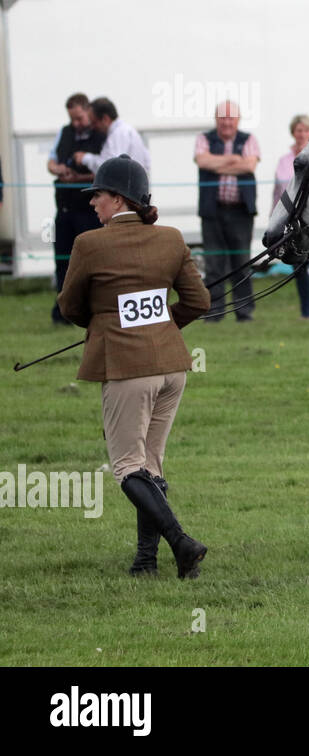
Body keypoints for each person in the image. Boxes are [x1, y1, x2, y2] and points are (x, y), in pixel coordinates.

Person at [57, 154, 210, 578]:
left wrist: (110, 324)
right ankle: (146, 561)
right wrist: (159, 325)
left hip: (128, 369)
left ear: (118, 198)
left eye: (98, 196)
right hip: (173, 368)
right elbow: (199, 302)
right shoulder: (172, 238)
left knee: (126, 467)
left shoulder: (90, 244)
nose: (92, 204)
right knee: (150, 466)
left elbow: (69, 306)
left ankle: (181, 543)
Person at [194, 100, 260, 322]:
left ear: (238, 119)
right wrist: (233, 160)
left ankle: (244, 312)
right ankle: (214, 312)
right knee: (214, 264)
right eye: (222, 117)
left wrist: (218, 164)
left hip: (241, 212)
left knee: (241, 263)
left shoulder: (249, 139)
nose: (226, 122)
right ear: (216, 119)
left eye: (231, 117)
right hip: (212, 211)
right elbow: (202, 161)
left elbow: (249, 166)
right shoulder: (204, 139)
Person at [48, 93, 107, 325]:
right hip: (63, 210)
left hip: (89, 212)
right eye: (72, 119)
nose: (76, 123)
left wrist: (78, 178)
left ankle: (91, 310)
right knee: (63, 261)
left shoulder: (102, 137)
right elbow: (51, 161)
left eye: (80, 118)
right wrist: (58, 169)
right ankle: (63, 312)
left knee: (90, 264)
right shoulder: (64, 133)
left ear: (88, 112)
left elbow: (104, 171)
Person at [272, 114, 309, 320]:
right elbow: (277, 192)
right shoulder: (283, 161)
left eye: (306, 130)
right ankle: (305, 312)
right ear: (293, 133)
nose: (302, 134)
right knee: (298, 268)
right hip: (291, 223)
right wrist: (275, 218)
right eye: (299, 130)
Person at [75, 97, 150, 173]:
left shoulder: (118, 134)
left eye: (94, 122)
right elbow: (147, 162)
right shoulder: (126, 130)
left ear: (105, 119)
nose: (93, 127)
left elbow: (110, 167)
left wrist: (85, 158)